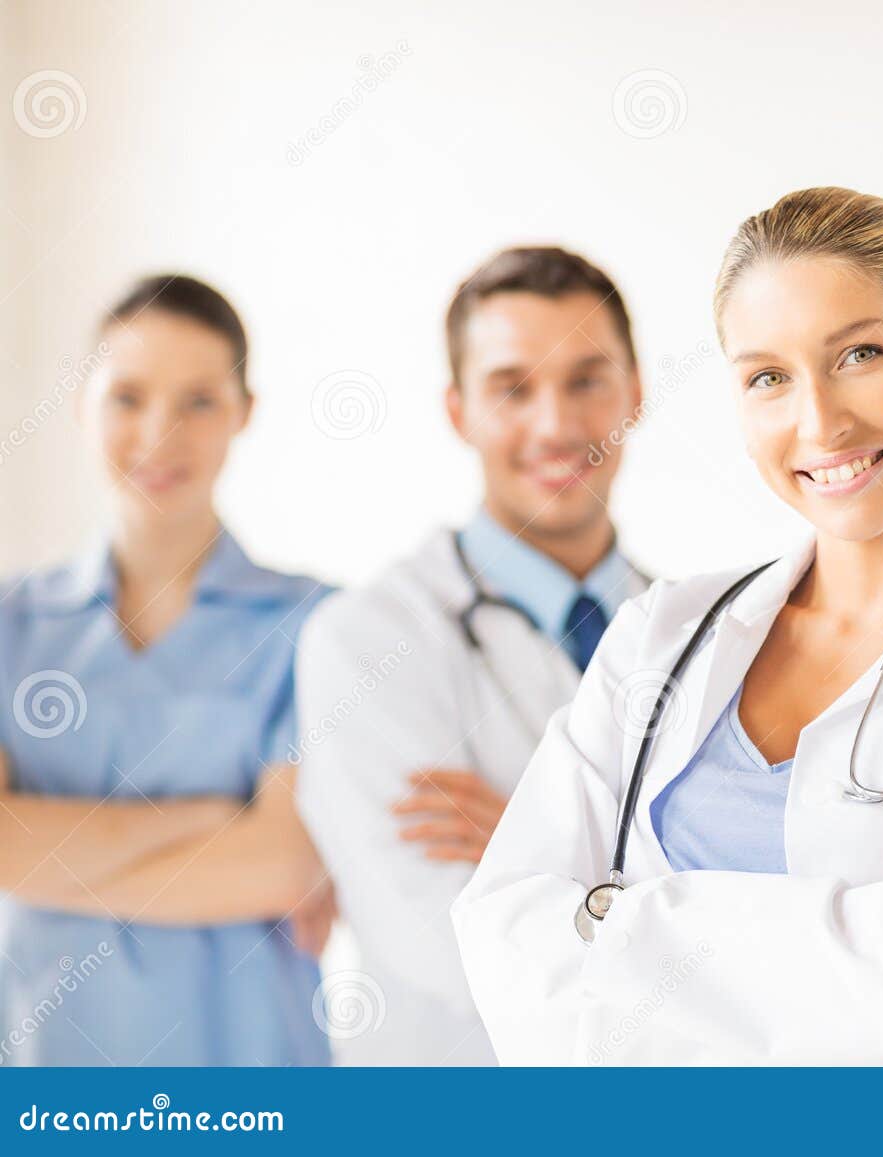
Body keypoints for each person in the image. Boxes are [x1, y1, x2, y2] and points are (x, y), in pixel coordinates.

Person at [452, 187, 883, 1065]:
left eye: (860, 353)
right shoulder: (659, 632)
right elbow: (507, 944)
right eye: (768, 377)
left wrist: (608, 918)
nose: (820, 420)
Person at [293, 247, 650, 1064]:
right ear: (459, 412)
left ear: (636, 392)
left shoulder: (708, 636)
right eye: (512, 387)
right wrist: (661, 889)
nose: (556, 424)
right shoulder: (367, 642)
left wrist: (546, 843)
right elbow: (456, 949)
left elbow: (765, 918)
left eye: (588, 379)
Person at [0, 275, 333, 1066]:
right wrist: (213, 820)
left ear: (244, 411)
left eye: (199, 401)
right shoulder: (13, 624)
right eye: (128, 397)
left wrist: (44, 858)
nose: (160, 433)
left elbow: (284, 862)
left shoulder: (313, 623)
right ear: (80, 406)